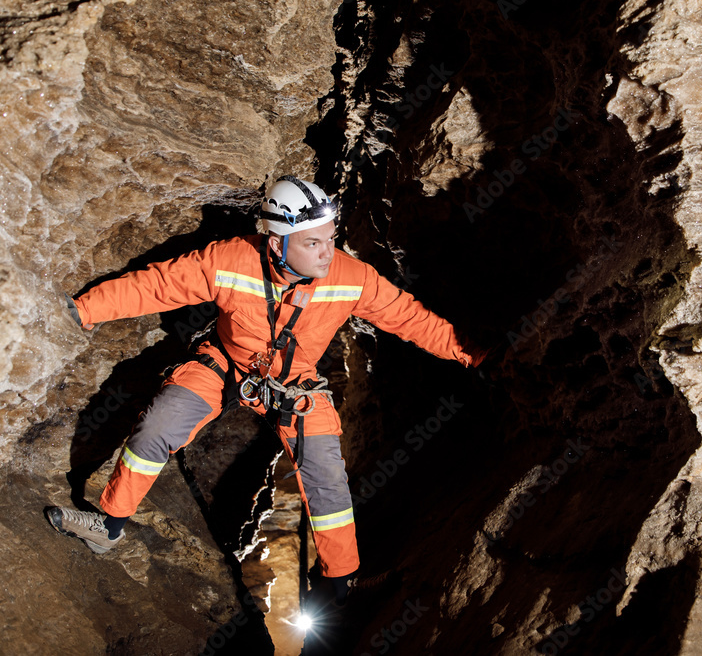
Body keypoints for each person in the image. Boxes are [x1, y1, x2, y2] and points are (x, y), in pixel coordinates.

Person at [47, 175, 483, 603]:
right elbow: (159, 285)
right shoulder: (230, 261)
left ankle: (342, 585)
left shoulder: (353, 277)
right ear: (277, 243)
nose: (328, 252)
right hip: (226, 363)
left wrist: (474, 355)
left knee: (326, 477)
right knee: (158, 425)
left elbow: (410, 318)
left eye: (330, 237)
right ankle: (107, 526)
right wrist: (83, 310)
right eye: (313, 243)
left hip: (296, 383)